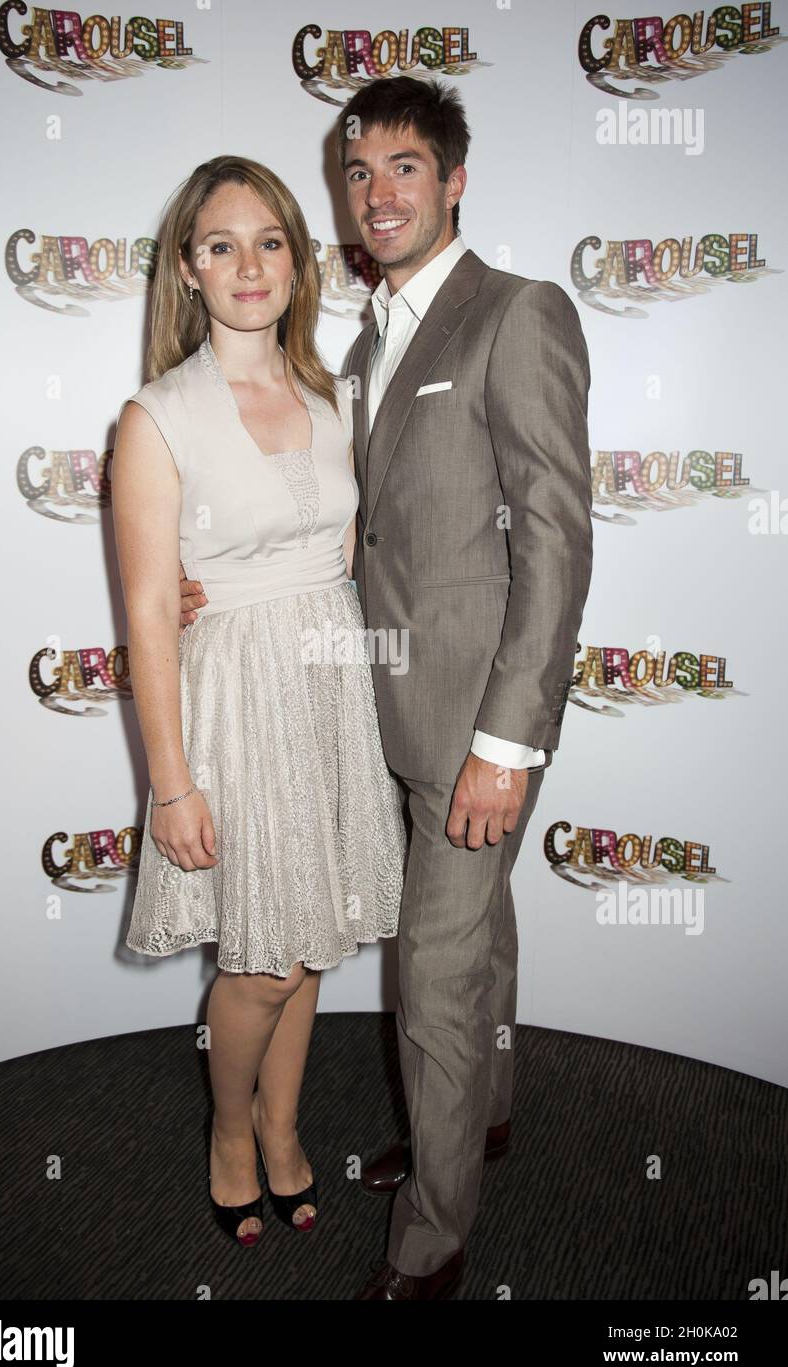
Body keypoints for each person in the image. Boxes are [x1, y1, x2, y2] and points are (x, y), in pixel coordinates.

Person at [179, 76, 593, 1299]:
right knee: (473, 953)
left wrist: (507, 745)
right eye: (358, 173)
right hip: (376, 709)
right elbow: (331, 528)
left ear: (454, 178)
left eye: (405, 167)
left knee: (438, 979)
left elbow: (556, 540)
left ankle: (432, 1240)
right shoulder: (356, 343)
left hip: (475, 723)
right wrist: (201, 585)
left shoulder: (517, 313)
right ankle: (486, 1120)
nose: (378, 192)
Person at [111, 155, 406, 1249]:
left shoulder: (332, 394)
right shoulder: (157, 418)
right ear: (187, 268)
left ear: (299, 259)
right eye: (222, 244)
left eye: (271, 241)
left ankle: (286, 1129)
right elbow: (149, 609)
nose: (249, 264)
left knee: (312, 941)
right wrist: (171, 785)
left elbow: (349, 552)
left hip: (329, 688)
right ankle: (230, 1129)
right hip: (232, 702)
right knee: (261, 960)